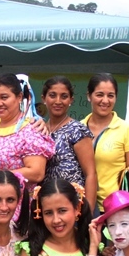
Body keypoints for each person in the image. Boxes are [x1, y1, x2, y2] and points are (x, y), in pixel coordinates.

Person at [0, 73, 55, 188]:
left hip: (14, 201)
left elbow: (36, 173)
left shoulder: (31, 130)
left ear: (19, 97)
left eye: (4, 97)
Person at [84, 73, 129, 210]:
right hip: (81, 205)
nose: (105, 100)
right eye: (99, 94)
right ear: (89, 96)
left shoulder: (126, 129)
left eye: (110, 95)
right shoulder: (78, 128)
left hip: (115, 207)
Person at [41, 76, 98, 209]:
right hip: (48, 204)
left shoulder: (77, 130)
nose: (58, 101)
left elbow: (90, 174)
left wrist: (87, 211)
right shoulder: (40, 130)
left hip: (74, 205)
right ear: (44, 98)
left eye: (64, 96)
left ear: (71, 100)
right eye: (52, 95)